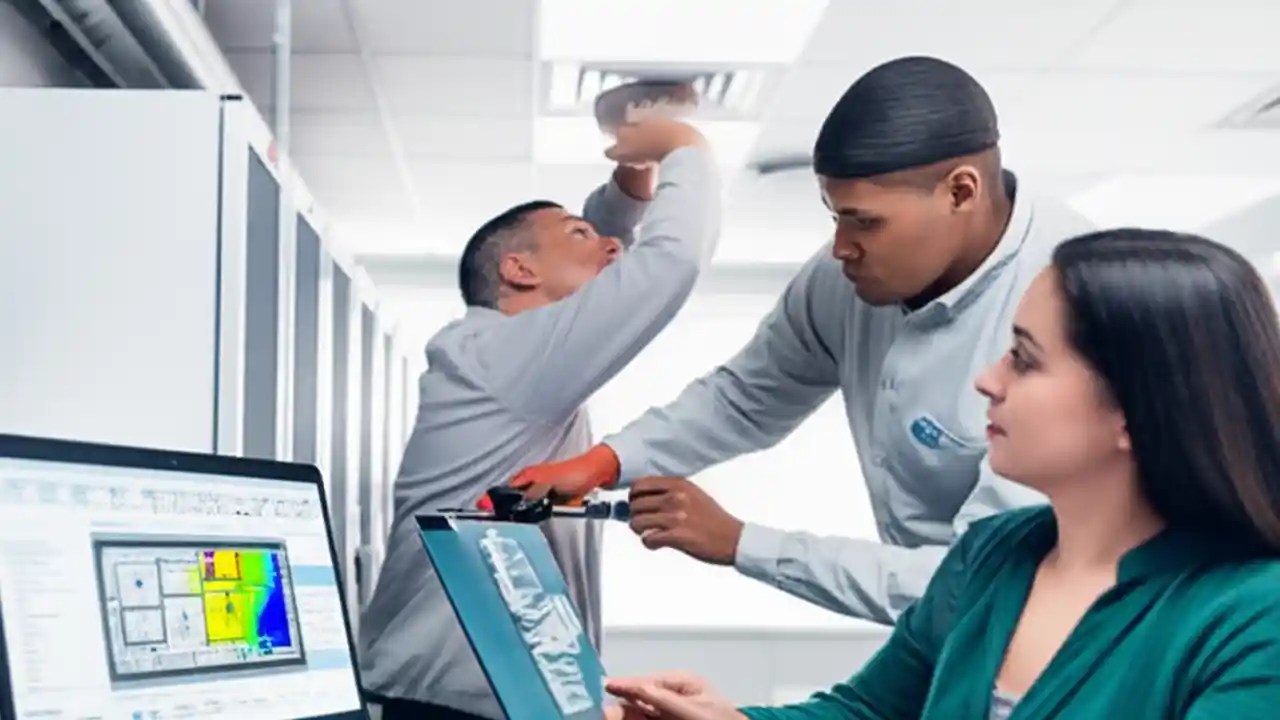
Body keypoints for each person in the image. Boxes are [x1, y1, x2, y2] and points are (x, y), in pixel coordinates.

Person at [602, 228, 1280, 719]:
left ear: (1136, 408)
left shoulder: (1254, 616)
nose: (988, 380)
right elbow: (870, 711)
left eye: (1024, 358)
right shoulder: (998, 554)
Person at [512, 55, 1095, 624]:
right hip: (943, 637)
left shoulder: (1080, 311)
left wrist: (740, 542)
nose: (841, 247)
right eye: (834, 216)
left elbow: (981, 589)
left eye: (865, 221)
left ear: (961, 192)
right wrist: (605, 461)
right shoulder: (844, 278)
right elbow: (747, 396)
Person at [359, 118, 721, 719]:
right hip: (457, 711)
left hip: (484, 702)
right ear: (520, 272)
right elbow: (670, 262)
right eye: (583, 236)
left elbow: (607, 248)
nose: (613, 248)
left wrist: (631, 187)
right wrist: (685, 146)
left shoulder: (507, 359)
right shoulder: (502, 355)